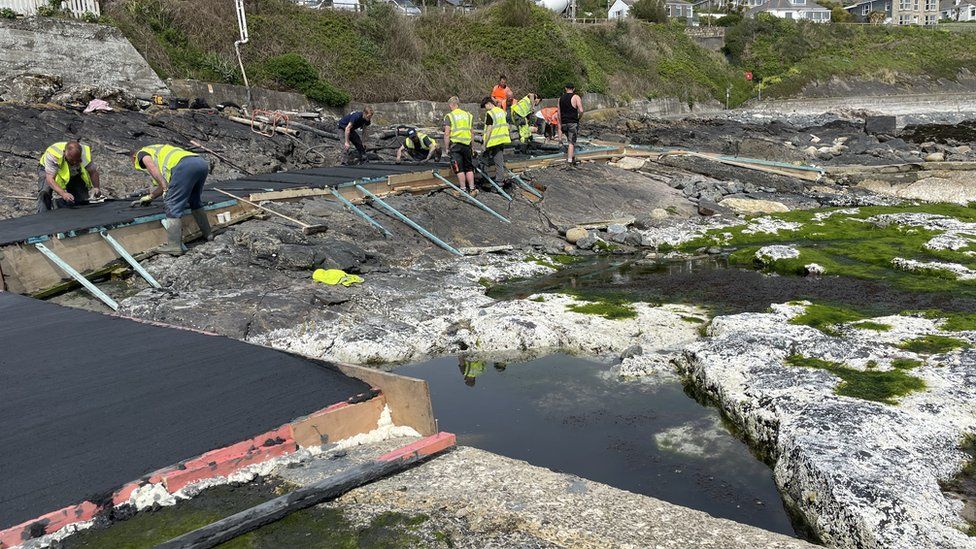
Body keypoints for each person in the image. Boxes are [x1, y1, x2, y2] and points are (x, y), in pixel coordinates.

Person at [130, 144, 212, 256]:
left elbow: (151, 167)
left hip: (184, 166)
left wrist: (164, 187)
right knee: (194, 200)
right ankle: (208, 235)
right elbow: (169, 184)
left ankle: (174, 246)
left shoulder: (141, 153)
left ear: (134, 157)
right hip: (200, 163)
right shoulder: (160, 152)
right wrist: (150, 197)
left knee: (172, 204)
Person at [37, 140, 102, 213]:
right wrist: (63, 193)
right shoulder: (53, 155)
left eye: (77, 160)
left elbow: (93, 172)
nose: (74, 162)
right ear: (64, 153)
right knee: (45, 192)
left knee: (82, 200)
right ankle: (43, 215)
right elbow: (50, 179)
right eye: (72, 160)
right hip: (48, 170)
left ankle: (59, 204)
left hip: (73, 172)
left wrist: (96, 187)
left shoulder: (84, 155)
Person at [443, 96, 476, 194]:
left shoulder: (450, 116)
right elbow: (472, 132)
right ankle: (472, 188)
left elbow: (447, 133)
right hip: (467, 145)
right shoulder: (468, 115)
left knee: (459, 168)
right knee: (469, 168)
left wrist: (446, 148)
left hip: (455, 146)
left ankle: (463, 189)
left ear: (451, 105)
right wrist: (473, 147)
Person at [481, 96, 511, 188]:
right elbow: (507, 126)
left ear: (488, 104)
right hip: (502, 139)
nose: (485, 109)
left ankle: (498, 183)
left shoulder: (490, 113)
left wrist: (484, 144)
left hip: (493, 141)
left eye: (485, 106)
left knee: (496, 162)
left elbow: (489, 130)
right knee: (496, 160)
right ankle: (491, 178)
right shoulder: (502, 111)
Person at [557, 83, 584, 166]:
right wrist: (579, 117)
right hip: (572, 122)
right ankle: (569, 161)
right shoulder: (576, 97)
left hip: (564, 122)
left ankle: (572, 157)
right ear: (574, 89)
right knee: (571, 142)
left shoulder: (560, 98)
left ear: (565, 88)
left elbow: (558, 113)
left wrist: (561, 124)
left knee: (569, 140)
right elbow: (581, 110)